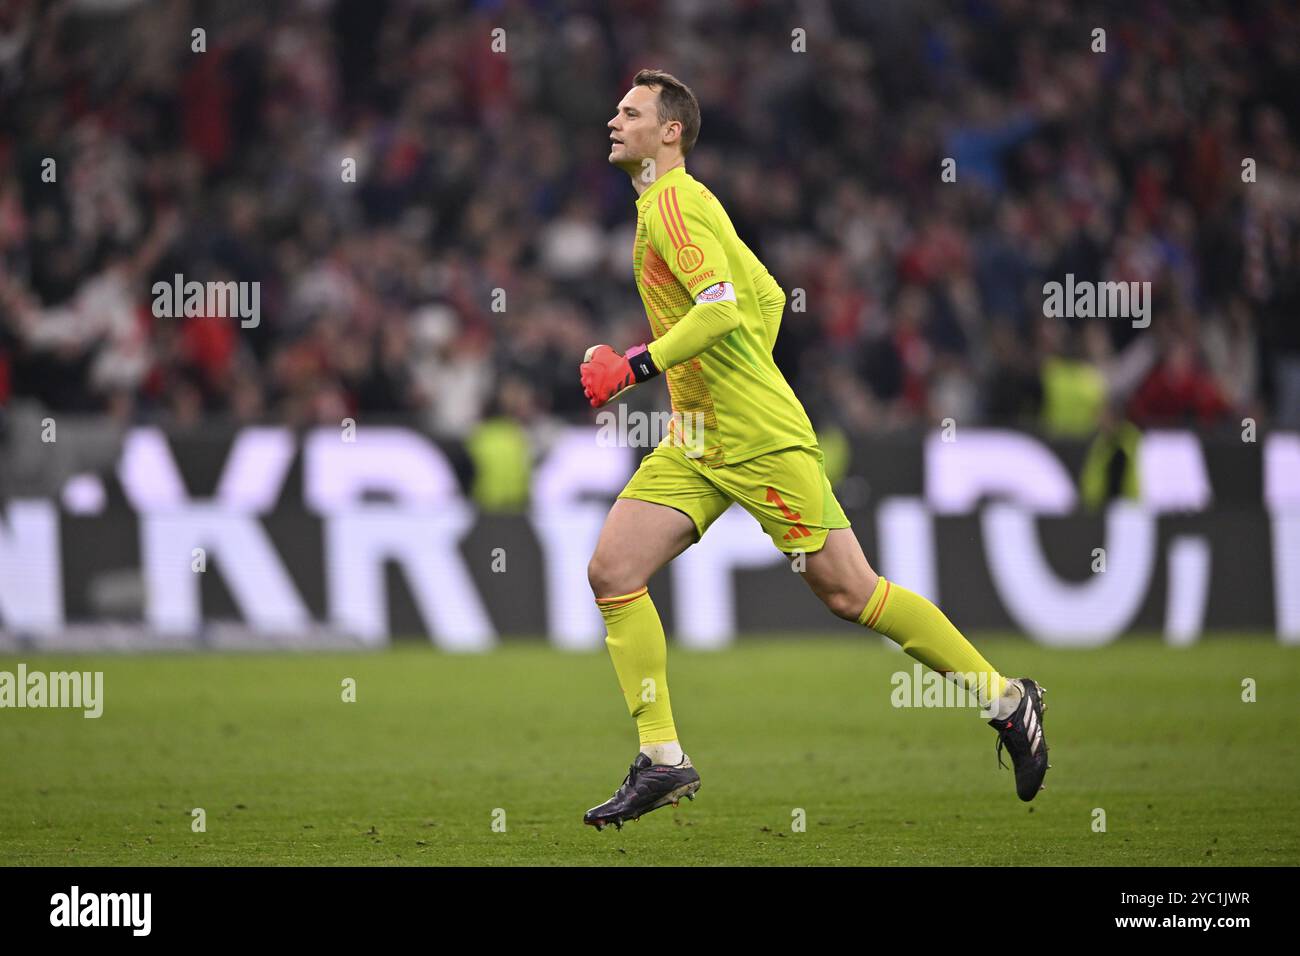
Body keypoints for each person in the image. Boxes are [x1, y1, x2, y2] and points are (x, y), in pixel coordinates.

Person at [579, 70, 1049, 831]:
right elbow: (764, 298)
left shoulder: (672, 202)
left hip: (757, 438)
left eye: (630, 112)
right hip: (697, 436)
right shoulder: (678, 204)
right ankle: (661, 758)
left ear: (671, 132)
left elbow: (722, 306)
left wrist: (638, 365)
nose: (613, 119)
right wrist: (723, 377)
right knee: (613, 571)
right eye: (616, 109)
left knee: (850, 593)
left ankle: (1007, 699)